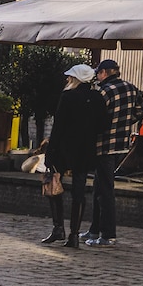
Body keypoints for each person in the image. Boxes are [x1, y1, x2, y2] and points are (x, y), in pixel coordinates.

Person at [85, 58, 143, 248]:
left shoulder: (103, 91)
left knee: (104, 189)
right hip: (121, 143)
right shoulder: (132, 88)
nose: (97, 76)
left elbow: (95, 116)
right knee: (100, 186)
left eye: (98, 73)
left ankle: (107, 234)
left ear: (104, 72)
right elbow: (142, 110)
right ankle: (94, 229)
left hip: (103, 144)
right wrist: (125, 123)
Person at [40, 61, 102, 247]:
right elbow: (103, 124)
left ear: (76, 79)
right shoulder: (97, 98)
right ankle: (74, 235)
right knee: (79, 191)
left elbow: (58, 127)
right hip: (85, 150)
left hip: (64, 149)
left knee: (54, 185)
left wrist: (50, 152)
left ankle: (58, 227)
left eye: (70, 76)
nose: (67, 79)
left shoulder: (67, 97)